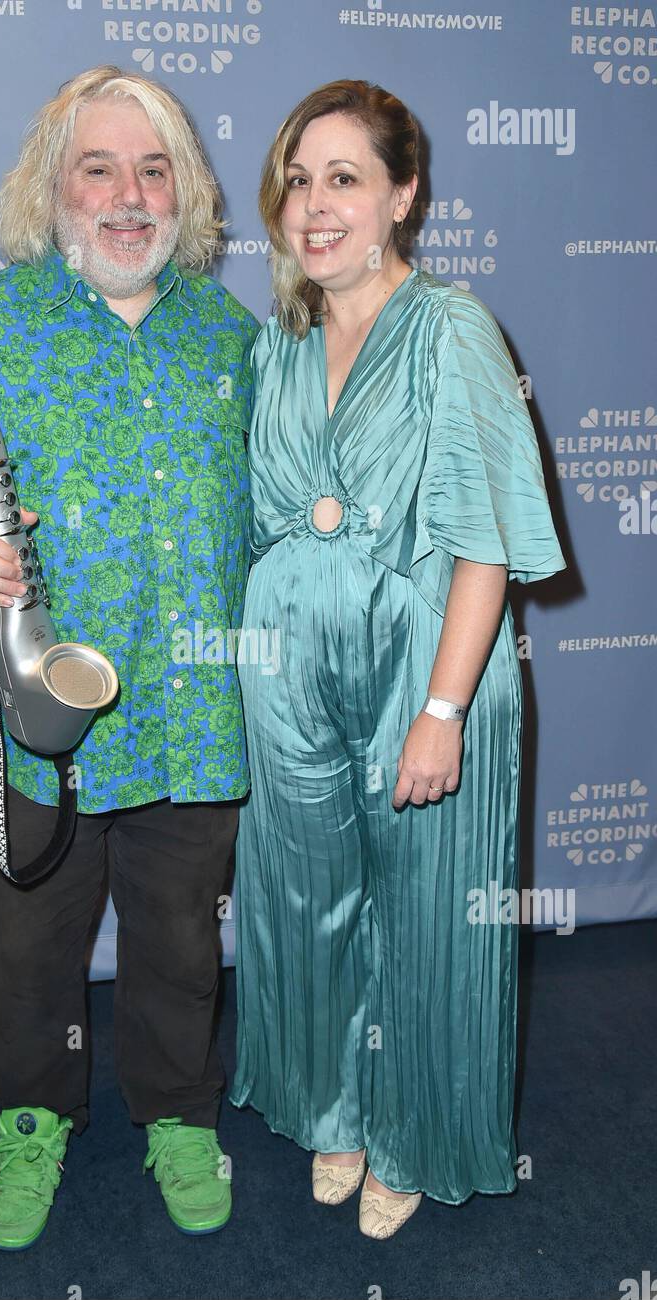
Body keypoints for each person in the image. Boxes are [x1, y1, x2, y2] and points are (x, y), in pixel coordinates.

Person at [0, 66, 260, 1248]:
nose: (128, 195)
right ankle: (30, 1118)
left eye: (153, 168)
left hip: (193, 721)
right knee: (29, 945)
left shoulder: (229, 338)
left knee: (182, 941)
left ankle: (177, 1113)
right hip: (39, 731)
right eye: (99, 167)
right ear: (54, 186)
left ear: (184, 191)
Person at [229, 79, 567, 1238]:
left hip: (422, 666)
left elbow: (484, 541)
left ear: (401, 195)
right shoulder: (274, 342)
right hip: (288, 675)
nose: (314, 207)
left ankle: (416, 1132)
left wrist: (440, 708)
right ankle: (334, 1106)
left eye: (344, 179)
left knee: (430, 914)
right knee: (306, 897)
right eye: (298, 181)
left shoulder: (453, 329)